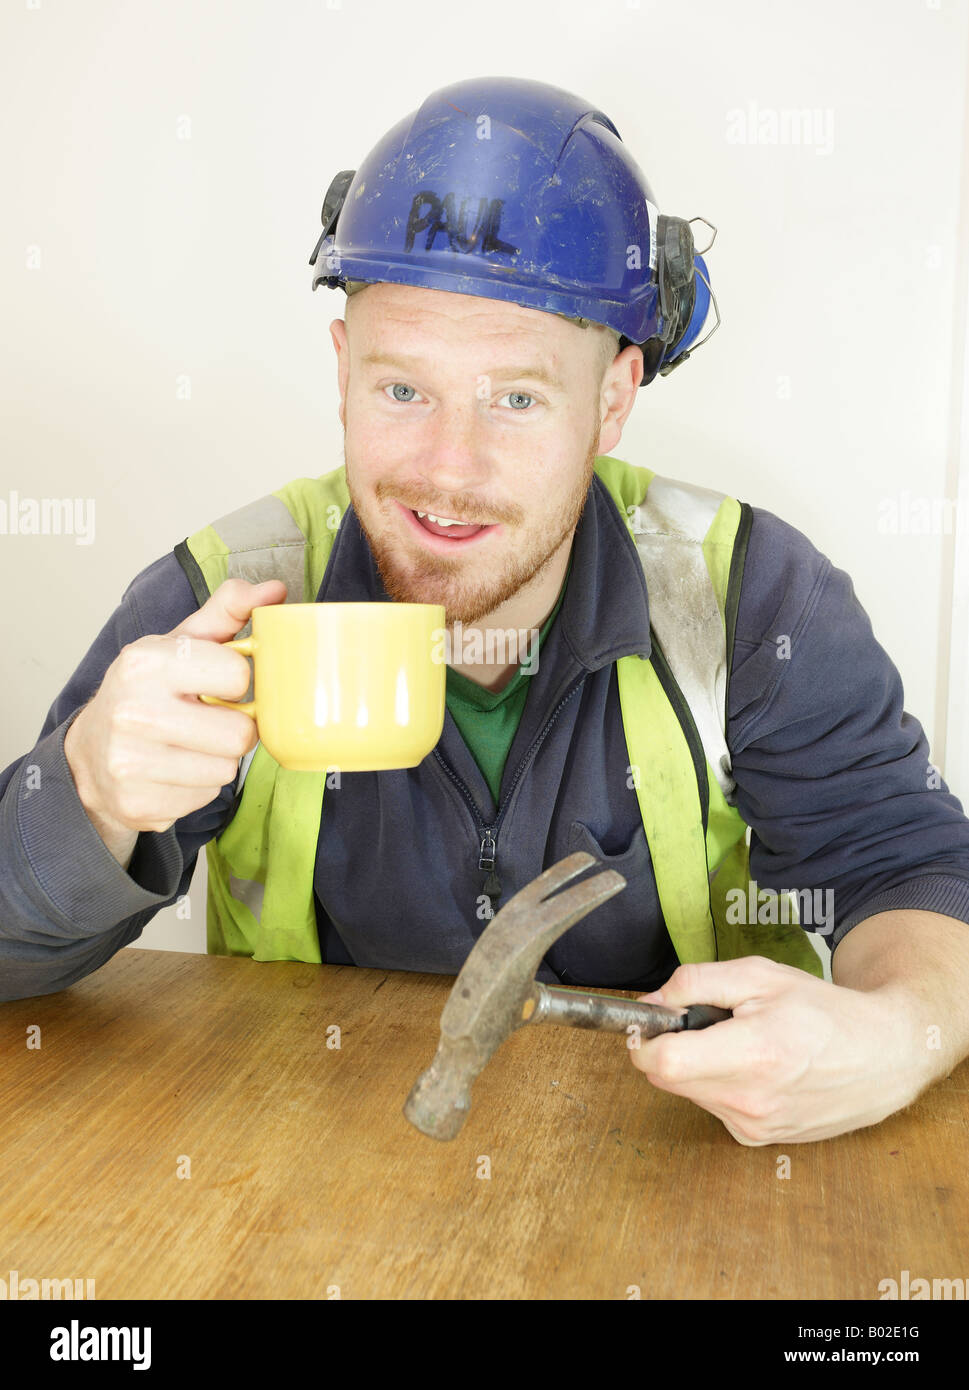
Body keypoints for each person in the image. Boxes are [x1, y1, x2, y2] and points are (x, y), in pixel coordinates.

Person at [3, 76, 969, 1148]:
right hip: (303, 1179)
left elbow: (909, 868)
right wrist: (86, 795)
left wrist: (901, 1031)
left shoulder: (751, 598)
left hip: (672, 1174)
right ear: (341, 373)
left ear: (612, 399)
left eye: (516, 397)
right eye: (402, 390)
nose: (447, 471)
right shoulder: (222, 595)